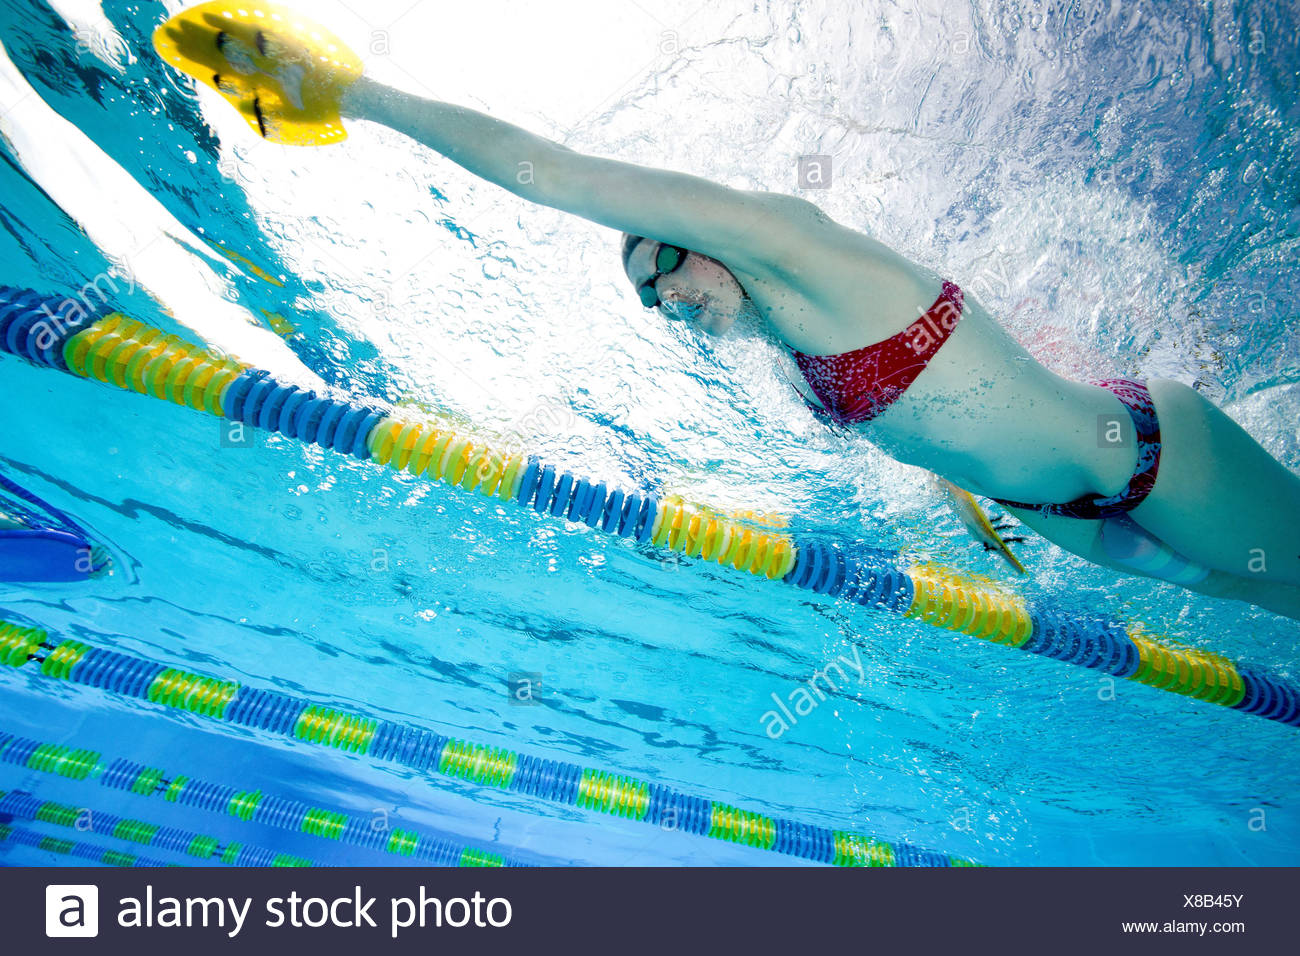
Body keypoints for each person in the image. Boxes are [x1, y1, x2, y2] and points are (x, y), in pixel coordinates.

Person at [153, 2, 1300, 620]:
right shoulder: (793, 352)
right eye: (646, 297)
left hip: (1151, 455)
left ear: (714, 240)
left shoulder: (794, 245)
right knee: (1261, 604)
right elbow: (942, 410)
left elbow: (550, 172)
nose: (663, 304)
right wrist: (972, 498)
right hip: (1055, 497)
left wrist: (358, 93)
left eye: (663, 273)